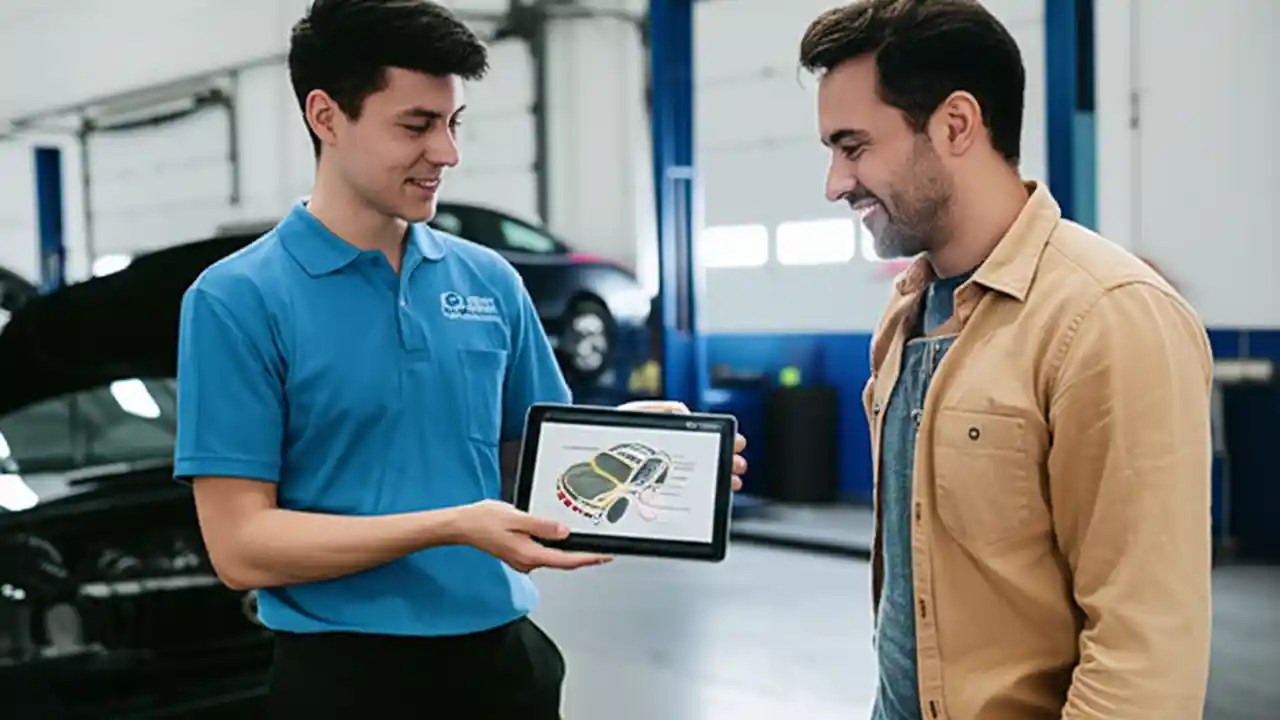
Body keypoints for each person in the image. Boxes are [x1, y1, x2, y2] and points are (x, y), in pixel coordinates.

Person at [173, 1, 746, 716]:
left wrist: (627, 441)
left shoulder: (490, 282)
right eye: (416, 125)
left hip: (503, 665)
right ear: (326, 117)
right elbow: (242, 548)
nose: (446, 153)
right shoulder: (236, 300)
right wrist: (448, 525)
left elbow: (523, 465)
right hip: (346, 681)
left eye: (453, 123)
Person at [797, 2, 1213, 719]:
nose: (835, 183)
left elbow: (1145, 657)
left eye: (854, 146)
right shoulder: (906, 315)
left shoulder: (1107, 317)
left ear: (957, 125)